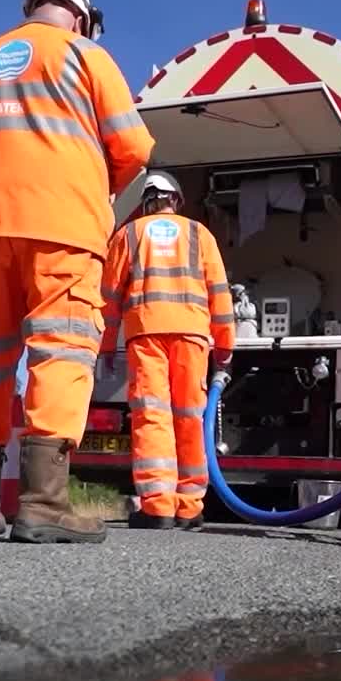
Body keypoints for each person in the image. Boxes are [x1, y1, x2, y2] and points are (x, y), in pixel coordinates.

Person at [0, 0, 154, 544]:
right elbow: (134, 146)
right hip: (63, 228)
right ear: (82, 17)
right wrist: (98, 184)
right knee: (61, 351)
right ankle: (42, 503)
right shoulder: (84, 56)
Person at [99, 171, 236, 530]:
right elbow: (219, 293)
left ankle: (158, 506)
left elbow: (109, 298)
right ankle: (190, 507)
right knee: (189, 415)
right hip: (192, 334)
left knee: (152, 415)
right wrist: (225, 345)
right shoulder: (199, 234)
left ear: (146, 202)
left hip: (145, 334)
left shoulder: (128, 235)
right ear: (175, 200)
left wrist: (105, 346)